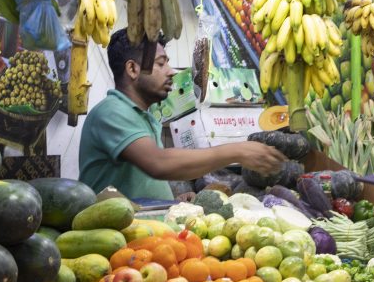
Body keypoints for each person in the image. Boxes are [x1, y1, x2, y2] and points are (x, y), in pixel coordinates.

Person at [79, 30, 286, 201]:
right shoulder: (112, 112)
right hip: (116, 245)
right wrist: (237, 151)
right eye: (161, 64)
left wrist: (169, 202)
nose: (171, 71)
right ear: (132, 69)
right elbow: (158, 163)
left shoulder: (143, 116)